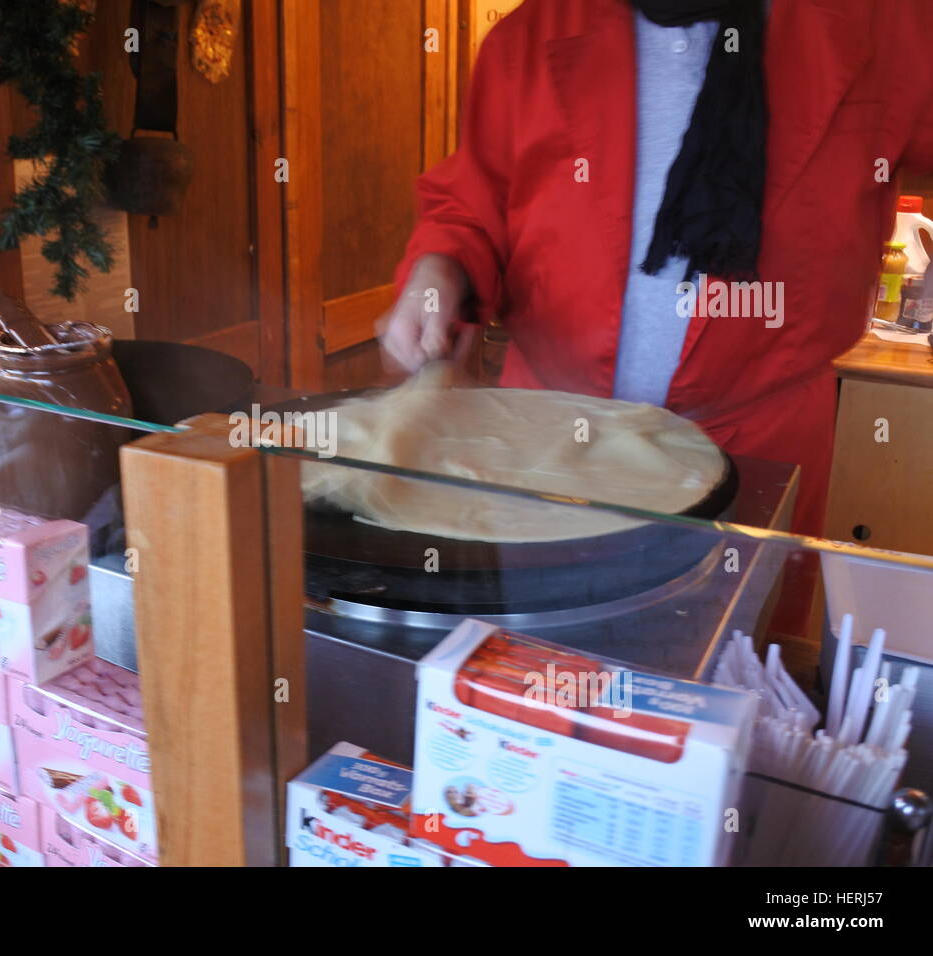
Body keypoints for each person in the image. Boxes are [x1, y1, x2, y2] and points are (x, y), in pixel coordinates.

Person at [380, 0, 933, 633]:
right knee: (539, 664)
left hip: (760, 444)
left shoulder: (885, 22)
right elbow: (470, 205)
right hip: (548, 432)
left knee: (733, 675)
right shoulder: (527, 39)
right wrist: (440, 267)